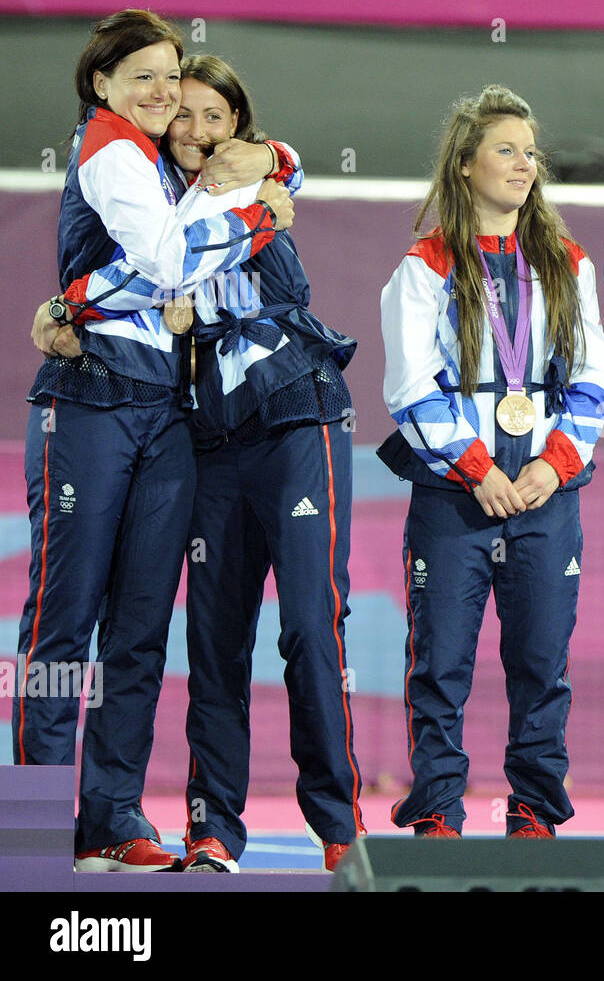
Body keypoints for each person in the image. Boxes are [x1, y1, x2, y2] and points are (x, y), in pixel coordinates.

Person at [70, 54, 367, 873]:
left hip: (298, 420)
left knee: (311, 627)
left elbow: (281, 270)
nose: (198, 130)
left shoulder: (263, 181)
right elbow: (122, 280)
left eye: (215, 116)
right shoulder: (156, 211)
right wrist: (63, 308)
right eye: (183, 116)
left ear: (239, 126)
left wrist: (274, 168)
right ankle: (214, 829)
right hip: (208, 442)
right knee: (212, 642)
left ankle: (340, 827)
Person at [18, 10, 291, 872]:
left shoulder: (170, 164)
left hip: (166, 413)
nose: (163, 93)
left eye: (171, 78)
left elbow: (259, 167)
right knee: (63, 624)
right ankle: (26, 829)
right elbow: (172, 263)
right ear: (100, 84)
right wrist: (258, 220)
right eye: (142, 75)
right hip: (89, 403)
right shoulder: (105, 148)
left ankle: (110, 820)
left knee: (138, 631)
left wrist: (275, 163)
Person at [379, 85, 604, 839]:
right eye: (506, 150)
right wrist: (480, 469)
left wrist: (552, 465)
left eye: (531, 152)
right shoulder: (425, 265)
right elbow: (412, 386)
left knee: (542, 664)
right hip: (456, 492)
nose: (524, 164)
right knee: (441, 665)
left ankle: (535, 809)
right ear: (466, 164)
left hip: (547, 487)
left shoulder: (566, 262)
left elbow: (592, 377)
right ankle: (439, 808)